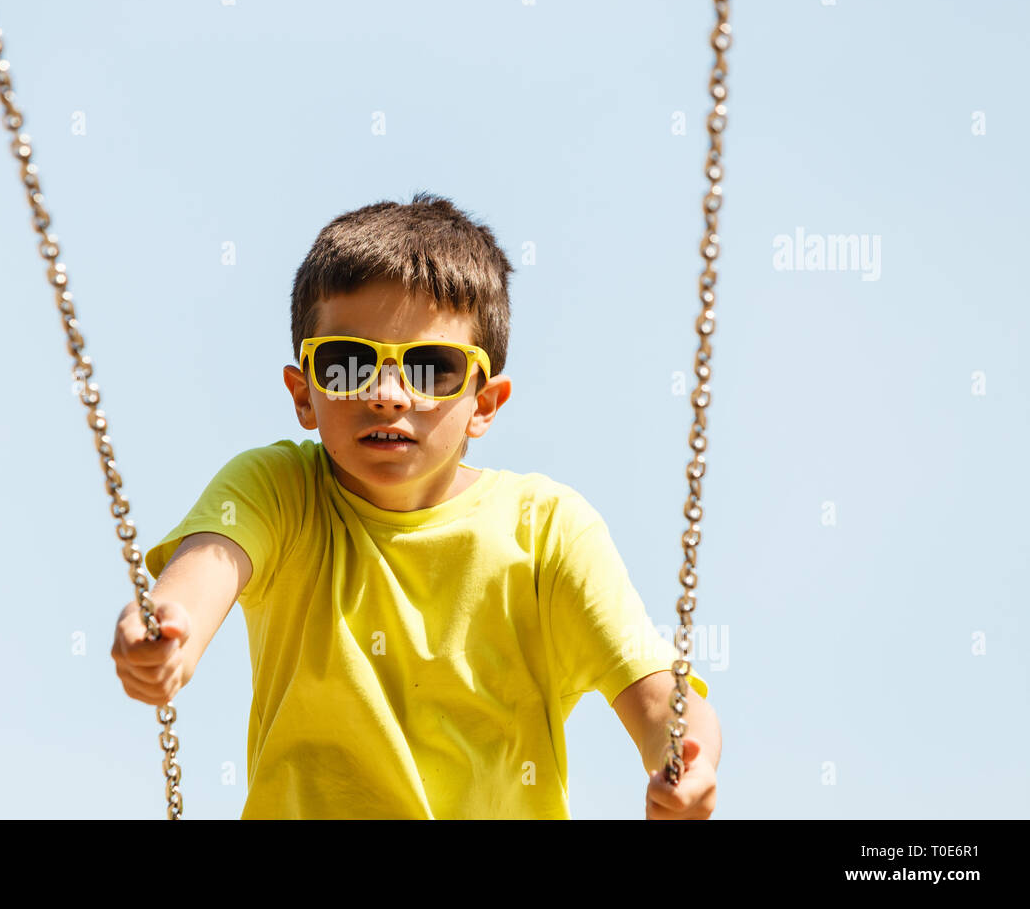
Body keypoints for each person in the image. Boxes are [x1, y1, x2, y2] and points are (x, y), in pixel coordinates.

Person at [111, 192, 721, 819]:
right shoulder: (279, 491)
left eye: (431, 368)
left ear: (484, 402)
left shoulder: (547, 531)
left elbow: (657, 699)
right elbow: (201, 576)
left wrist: (686, 758)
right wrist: (163, 633)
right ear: (303, 394)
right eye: (347, 365)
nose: (386, 394)